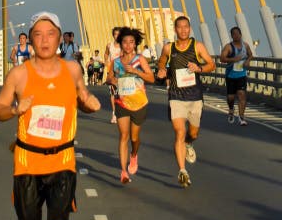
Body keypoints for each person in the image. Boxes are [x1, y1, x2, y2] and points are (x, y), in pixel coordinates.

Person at [0, 11, 101, 220]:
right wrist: (15, 109)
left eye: (50, 34)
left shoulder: (72, 69)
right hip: (27, 162)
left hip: (62, 160)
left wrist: (89, 102)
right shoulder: (19, 74)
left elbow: (81, 98)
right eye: (37, 34)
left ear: (59, 37)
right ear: (30, 39)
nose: (44, 40)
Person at [156, 15, 215, 187]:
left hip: (195, 97)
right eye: (180, 27)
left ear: (190, 28)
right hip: (176, 96)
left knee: (193, 133)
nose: (183, 30)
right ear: (175, 29)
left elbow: (212, 64)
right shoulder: (169, 48)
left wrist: (199, 68)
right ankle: (182, 171)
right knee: (179, 132)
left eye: (186, 27)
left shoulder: (197, 46)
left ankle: (189, 143)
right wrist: (161, 70)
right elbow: (161, 62)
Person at [106, 26, 154, 183]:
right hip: (122, 103)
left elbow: (151, 78)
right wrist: (112, 80)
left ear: (135, 44)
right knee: (123, 136)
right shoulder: (115, 62)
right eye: (125, 42)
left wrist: (136, 72)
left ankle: (133, 155)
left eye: (131, 42)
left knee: (134, 138)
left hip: (139, 103)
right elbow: (109, 78)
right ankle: (123, 171)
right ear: (120, 43)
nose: (128, 45)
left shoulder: (140, 59)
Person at [219, 26, 253, 127]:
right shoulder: (228, 47)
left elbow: (250, 55)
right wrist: (233, 59)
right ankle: (231, 109)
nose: (236, 35)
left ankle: (241, 117)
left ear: (241, 34)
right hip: (231, 75)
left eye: (237, 34)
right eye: (234, 34)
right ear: (232, 36)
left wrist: (247, 61)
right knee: (231, 97)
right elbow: (222, 58)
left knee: (242, 94)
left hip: (241, 75)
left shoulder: (245, 45)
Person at [104, 26, 121, 124]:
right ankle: (114, 113)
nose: (117, 36)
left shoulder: (124, 45)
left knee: (122, 93)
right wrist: (106, 61)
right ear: (113, 35)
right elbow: (106, 54)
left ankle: (122, 113)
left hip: (122, 72)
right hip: (111, 72)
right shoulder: (109, 45)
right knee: (113, 93)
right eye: (115, 34)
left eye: (118, 34)